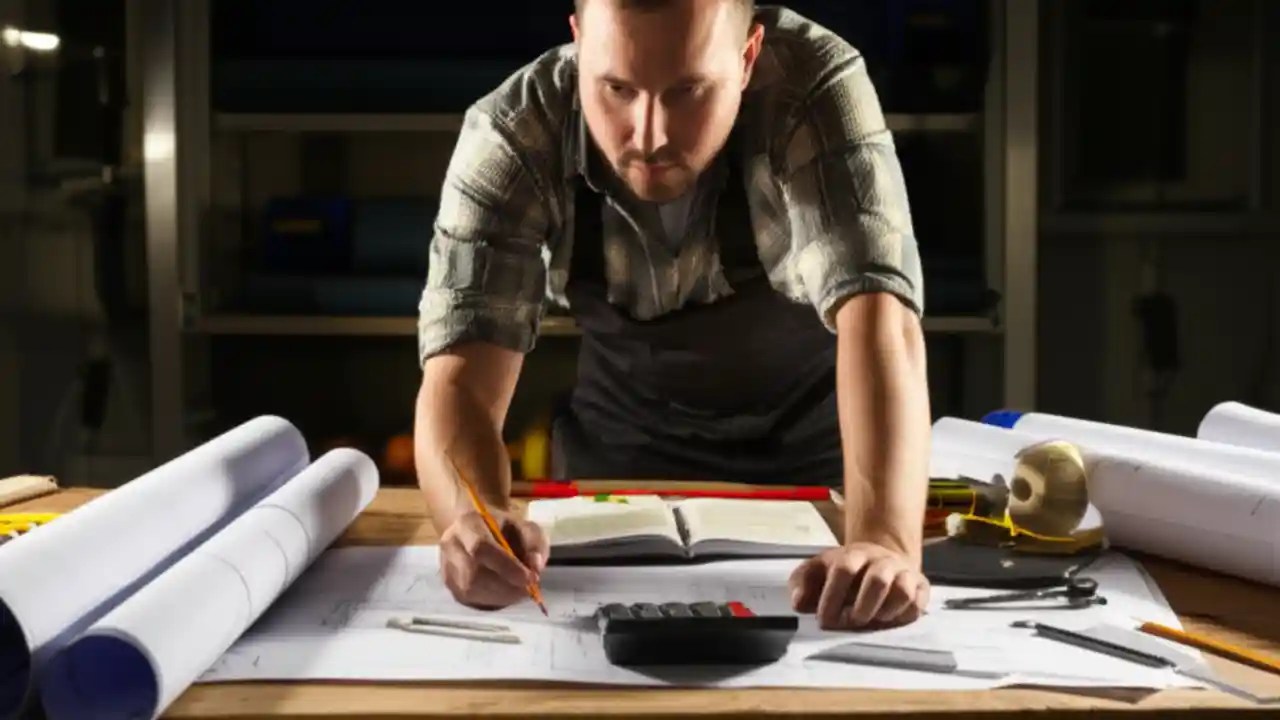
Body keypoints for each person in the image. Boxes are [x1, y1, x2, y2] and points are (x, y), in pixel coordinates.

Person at [414, 0, 931, 631]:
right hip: (619, 471)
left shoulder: (814, 87)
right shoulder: (514, 130)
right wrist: (474, 519)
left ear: (747, 58)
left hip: (817, 480)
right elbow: (458, 380)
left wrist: (884, 541)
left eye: (688, 90)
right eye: (617, 88)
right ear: (579, 44)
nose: (651, 133)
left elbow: (881, 319)